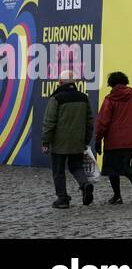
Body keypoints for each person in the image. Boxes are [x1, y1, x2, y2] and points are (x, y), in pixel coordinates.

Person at [41, 70, 94, 209]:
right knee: (76, 167)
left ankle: (63, 199)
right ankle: (85, 184)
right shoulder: (83, 98)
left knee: (58, 171)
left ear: (60, 82)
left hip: (59, 143)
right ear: (74, 82)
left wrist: (46, 141)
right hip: (78, 141)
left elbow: (49, 122)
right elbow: (89, 121)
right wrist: (86, 140)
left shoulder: (56, 98)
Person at [94, 71, 132, 204]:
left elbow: (103, 122)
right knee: (125, 165)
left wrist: (98, 139)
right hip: (131, 140)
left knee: (113, 169)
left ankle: (117, 195)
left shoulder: (110, 99)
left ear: (111, 84)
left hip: (113, 140)